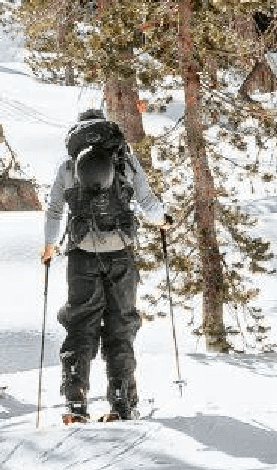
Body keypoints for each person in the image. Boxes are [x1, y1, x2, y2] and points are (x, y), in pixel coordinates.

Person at [40, 109, 168, 423]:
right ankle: (123, 401)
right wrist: (163, 221)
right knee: (120, 326)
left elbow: (55, 210)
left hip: (82, 255)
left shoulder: (69, 167)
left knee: (80, 325)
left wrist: (49, 246)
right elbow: (148, 202)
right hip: (121, 254)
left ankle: (75, 399)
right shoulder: (124, 161)